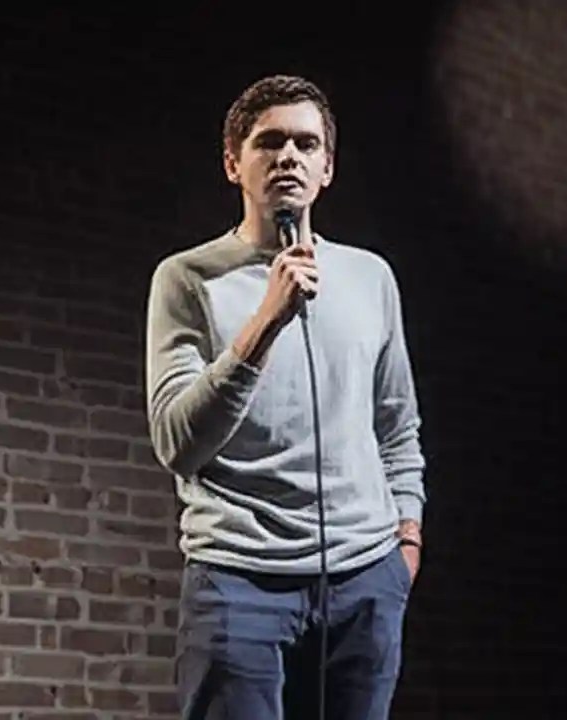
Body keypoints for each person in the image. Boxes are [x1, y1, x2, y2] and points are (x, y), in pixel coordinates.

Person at [143, 74, 427, 720]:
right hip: (237, 582)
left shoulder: (369, 277)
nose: (288, 157)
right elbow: (177, 443)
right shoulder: (187, 279)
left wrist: (404, 541)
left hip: (365, 579)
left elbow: (397, 423)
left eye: (306, 144)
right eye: (268, 142)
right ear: (233, 162)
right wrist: (264, 319)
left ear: (327, 167)